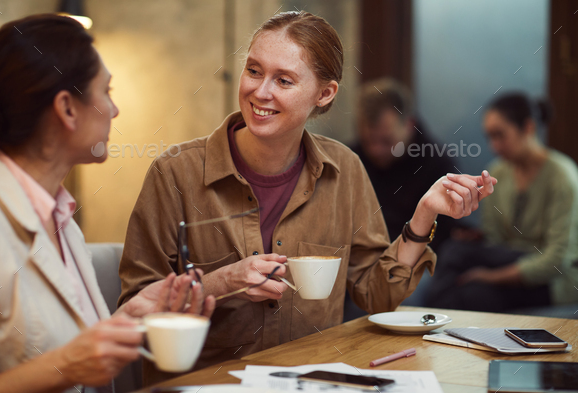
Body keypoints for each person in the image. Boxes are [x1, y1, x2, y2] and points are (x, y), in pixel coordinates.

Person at [118, 11, 496, 385]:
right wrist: (222, 281)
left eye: (283, 80)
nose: (260, 91)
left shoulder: (345, 169)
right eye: (253, 70)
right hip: (204, 383)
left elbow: (376, 295)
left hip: (307, 379)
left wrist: (424, 215)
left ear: (324, 93)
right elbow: (133, 308)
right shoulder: (175, 173)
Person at [0, 15, 214, 393]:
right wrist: (65, 366)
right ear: (67, 108)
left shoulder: (59, 215)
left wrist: (135, 317)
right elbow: (64, 362)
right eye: (106, 91)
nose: (115, 109)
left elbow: (65, 345)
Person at [426, 92, 578, 312]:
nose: (494, 146)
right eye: (489, 137)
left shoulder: (562, 177)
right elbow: (495, 240)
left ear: (527, 127)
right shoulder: (499, 172)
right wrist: (478, 238)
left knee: (472, 293)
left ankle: (431, 323)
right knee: (455, 249)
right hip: (511, 258)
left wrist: (491, 277)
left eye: (500, 135)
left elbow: (556, 260)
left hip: (553, 276)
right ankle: (434, 323)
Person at [344, 78, 459, 317]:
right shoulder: (351, 158)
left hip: (420, 259)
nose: (376, 149)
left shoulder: (436, 163)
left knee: (397, 300)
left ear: (409, 124)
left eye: (386, 141)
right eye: (369, 141)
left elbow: (445, 236)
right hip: (360, 257)